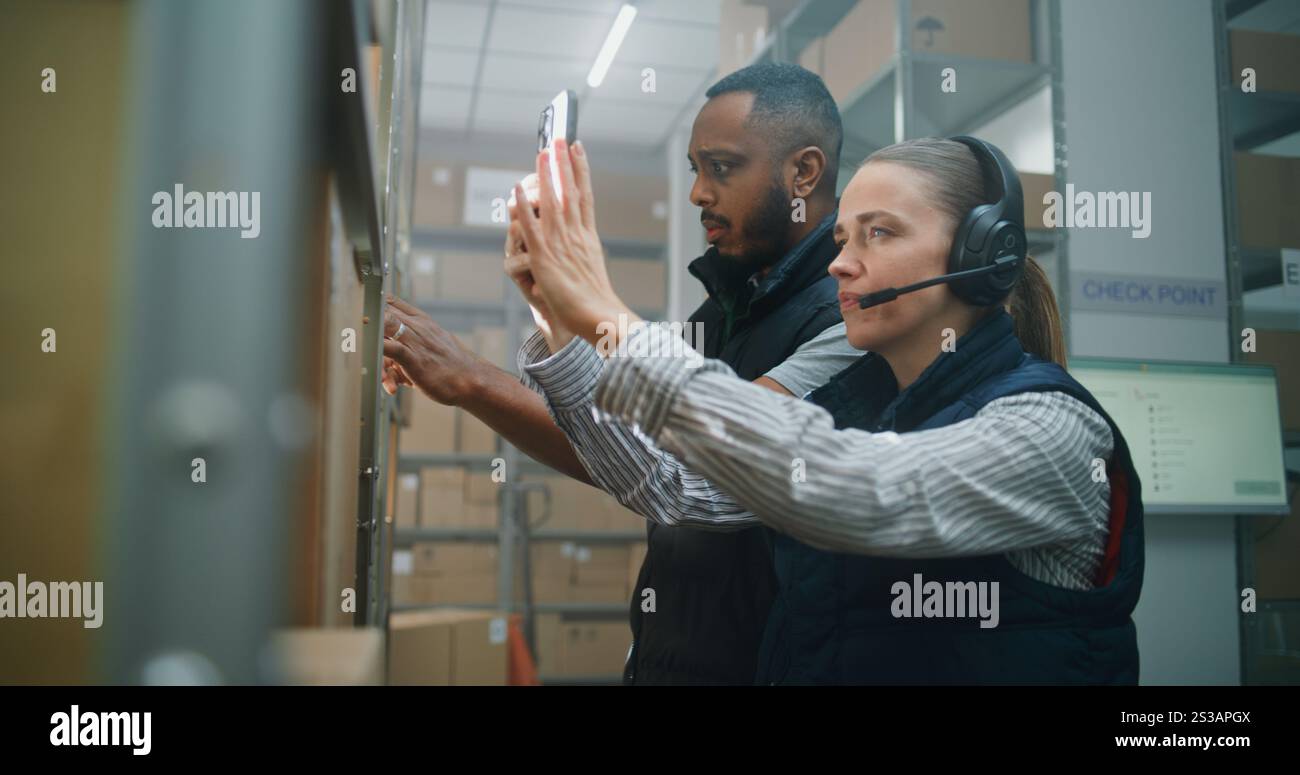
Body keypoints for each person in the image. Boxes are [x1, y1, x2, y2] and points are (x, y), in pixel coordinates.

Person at [505, 134, 1145, 684]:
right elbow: (670, 486)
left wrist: (611, 319)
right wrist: (559, 320)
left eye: (880, 233)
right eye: (842, 237)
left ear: (983, 254)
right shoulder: (855, 403)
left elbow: (868, 490)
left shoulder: (1051, 430)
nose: (841, 262)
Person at [382, 63, 860, 684]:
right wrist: (546, 319)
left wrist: (483, 373)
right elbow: (630, 457)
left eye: (721, 167)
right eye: (695, 169)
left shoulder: (844, 321)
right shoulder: (725, 304)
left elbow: (684, 482)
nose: (698, 194)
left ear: (804, 172)